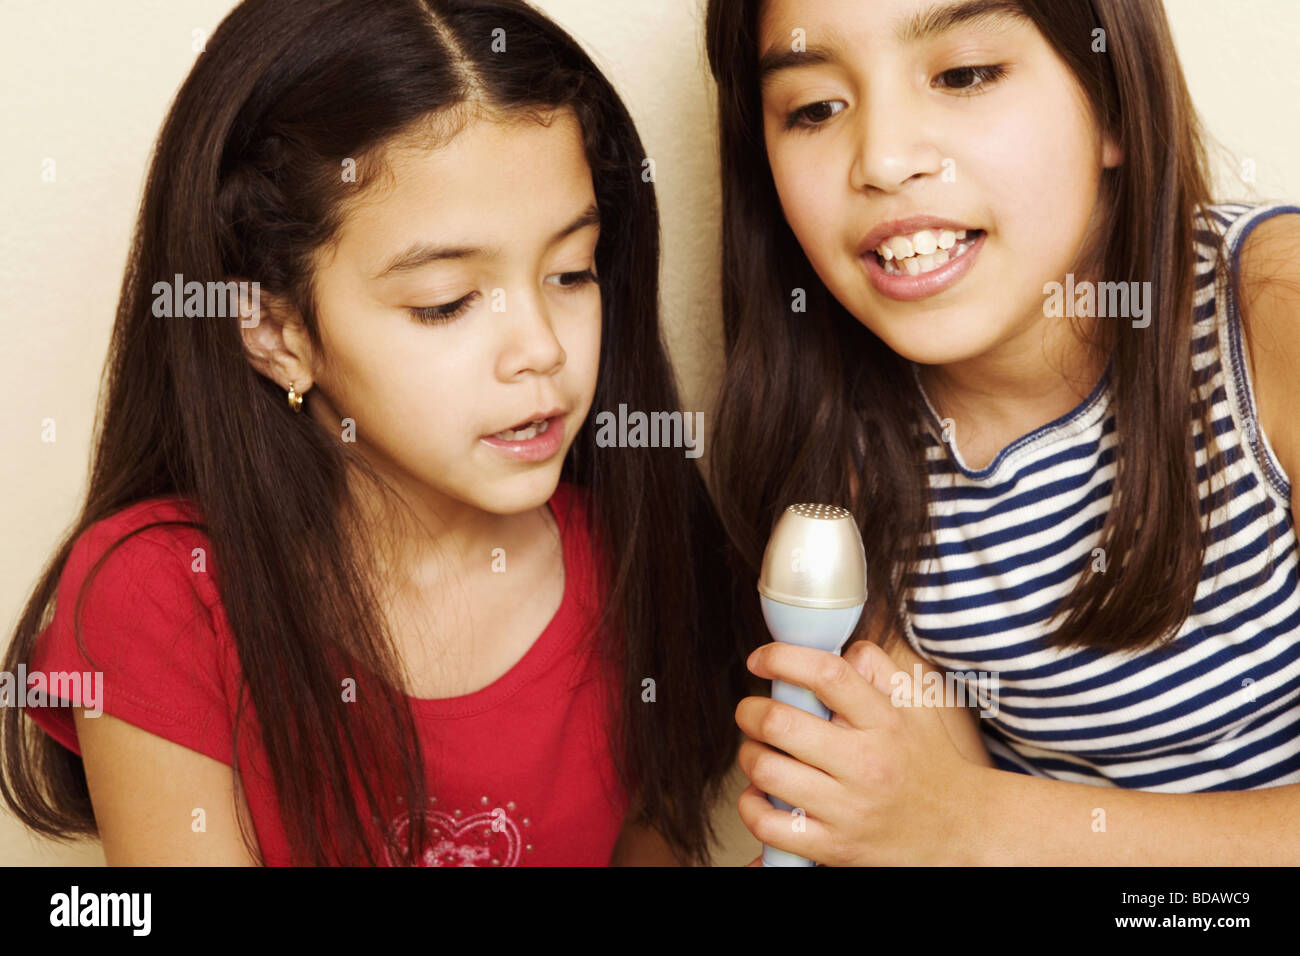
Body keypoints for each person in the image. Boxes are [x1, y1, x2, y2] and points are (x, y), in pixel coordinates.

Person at [2, 0, 746, 866]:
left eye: (571, 272)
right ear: (276, 333)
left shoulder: (642, 556)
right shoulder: (165, 597)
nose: (542, 349)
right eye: (447, 303)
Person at [705, 0, 1300, 864]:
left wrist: (970, 822)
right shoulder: (842, 455)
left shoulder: (1270, 316)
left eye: (964, 75)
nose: (883, 160)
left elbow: (947, 827)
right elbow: (918, 826)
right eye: (815, 109)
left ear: (1115, 104)